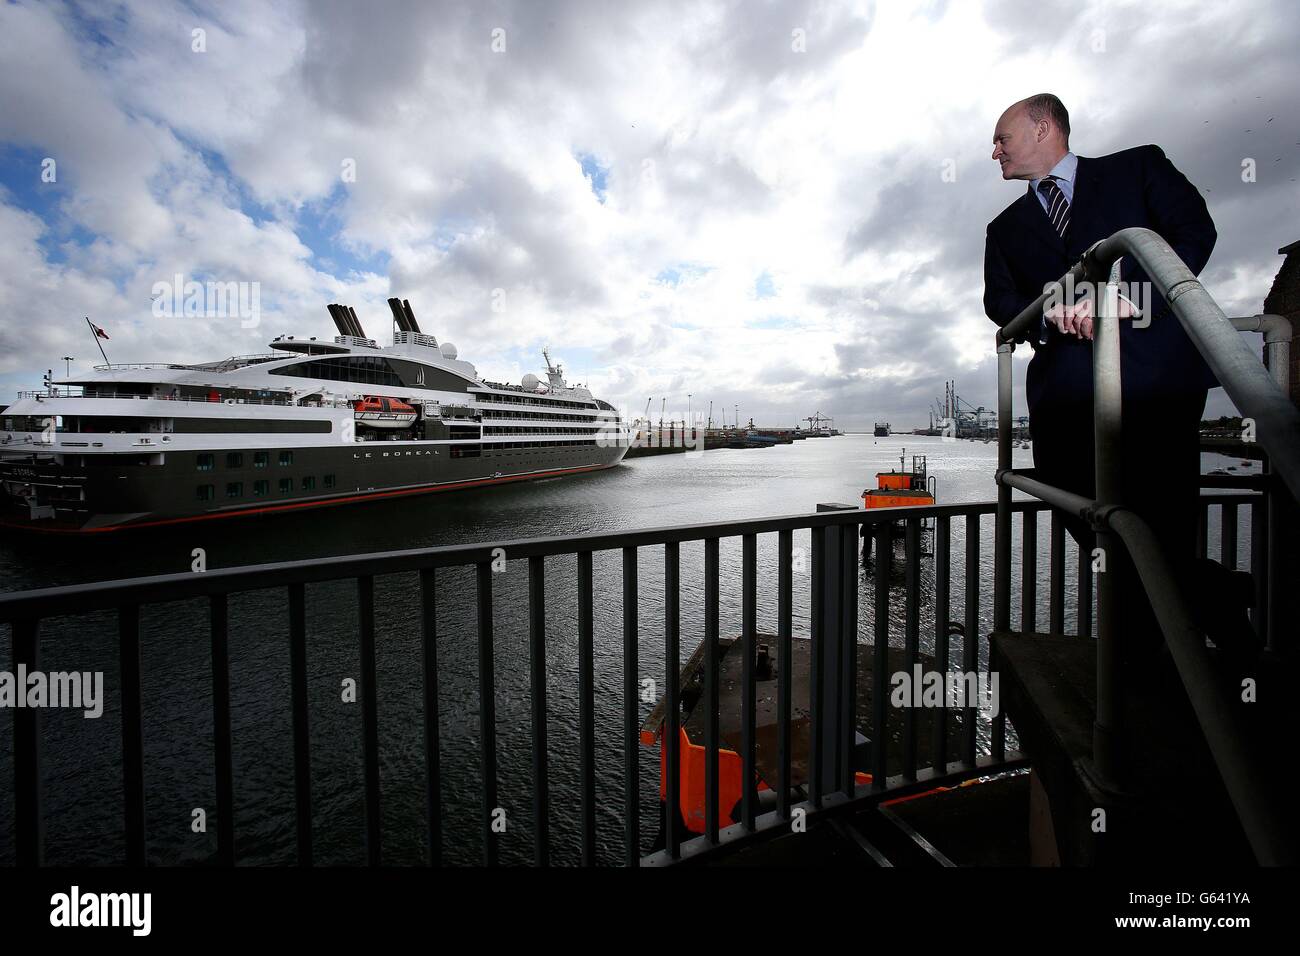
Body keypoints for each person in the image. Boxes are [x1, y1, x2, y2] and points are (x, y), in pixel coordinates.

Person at [983, 93, 1222, 662]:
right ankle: (1211, 598)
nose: (994, 151)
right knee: (1092, 516)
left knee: (1160, 518)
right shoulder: (1003, 227)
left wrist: (1126, 297)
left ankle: (1147, 666)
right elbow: (999, 301)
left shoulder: (1137, 167)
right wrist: (1049, 309)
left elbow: (1192, 232)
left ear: (1043, 129)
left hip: (1154, 383)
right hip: (1065, 396)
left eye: (1002, 138)